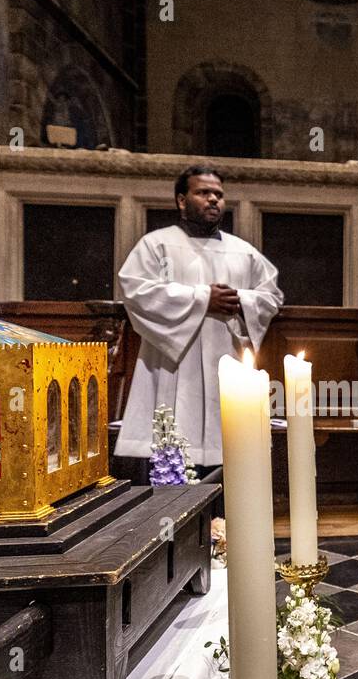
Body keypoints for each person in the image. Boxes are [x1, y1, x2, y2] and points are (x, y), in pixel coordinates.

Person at [115, 166, 283, 473]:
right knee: (171, 458)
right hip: (172, 365)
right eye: (203, 193)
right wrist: (203, 299)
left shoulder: (243, 252)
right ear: (182, 200)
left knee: (229, 458)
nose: (213, 200)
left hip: (227, 363)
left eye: (218, 194)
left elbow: (271, 296)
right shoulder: (156, 245)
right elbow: (135, 290)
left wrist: (241, 300)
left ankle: (222, 518)